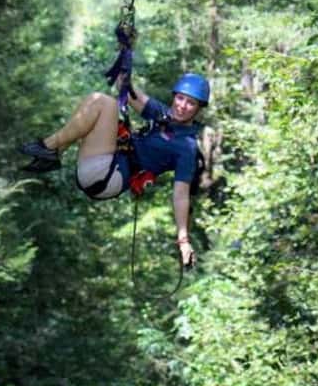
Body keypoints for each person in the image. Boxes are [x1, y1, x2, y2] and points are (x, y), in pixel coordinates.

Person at [18, 73, 210, 268]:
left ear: (198, 109)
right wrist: (124, 67)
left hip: (107, 177)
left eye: (191, 103)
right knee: (93, 100)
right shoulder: (162, 114)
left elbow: (181, 196)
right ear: (174, 96)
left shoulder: (187, 147)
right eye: (180, 98)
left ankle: (49, 147)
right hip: (103, 164)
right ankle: (54, 152)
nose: (182, 106)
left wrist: (183, 240)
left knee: (106, 104)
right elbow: (128, 91)